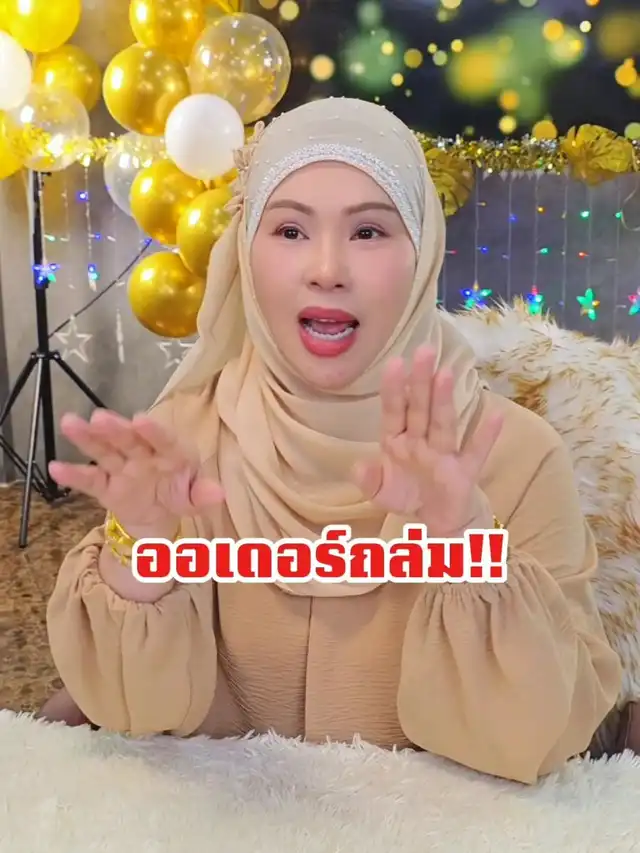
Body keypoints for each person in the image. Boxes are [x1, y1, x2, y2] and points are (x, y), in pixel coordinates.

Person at [41, 97, 622, 785]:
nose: (326, 268)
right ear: (245, 251)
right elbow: (135, 713)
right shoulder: (182, 444)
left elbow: (545, 733)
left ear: (422, 255)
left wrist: (464, 542)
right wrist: (142, 545)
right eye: (289, 230)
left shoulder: (515, 456)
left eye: (368, 232)